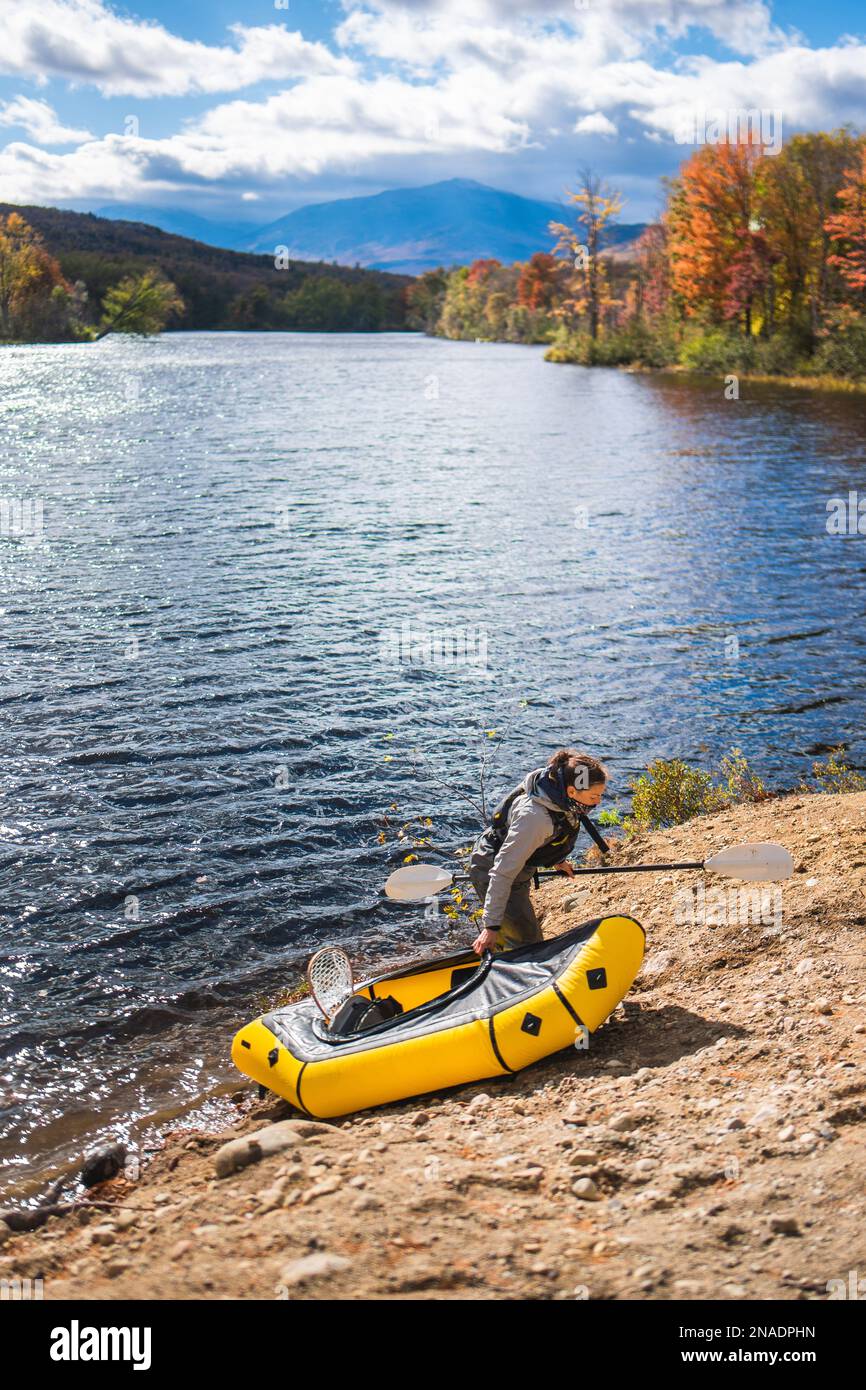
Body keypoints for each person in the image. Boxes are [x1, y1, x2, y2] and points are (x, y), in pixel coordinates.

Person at [469, 749, 609, 955]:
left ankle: (502, 952)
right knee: (529, 946)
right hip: (494, 869)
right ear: (572, 792)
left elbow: (556, 832)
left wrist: (557, 859)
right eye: (594, 796)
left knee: (518, 937)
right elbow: (502, 872)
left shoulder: (555, 788)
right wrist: (490, 926)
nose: (598, 802)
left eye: (601, 795)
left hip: (516, 862)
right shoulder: (535, 818)